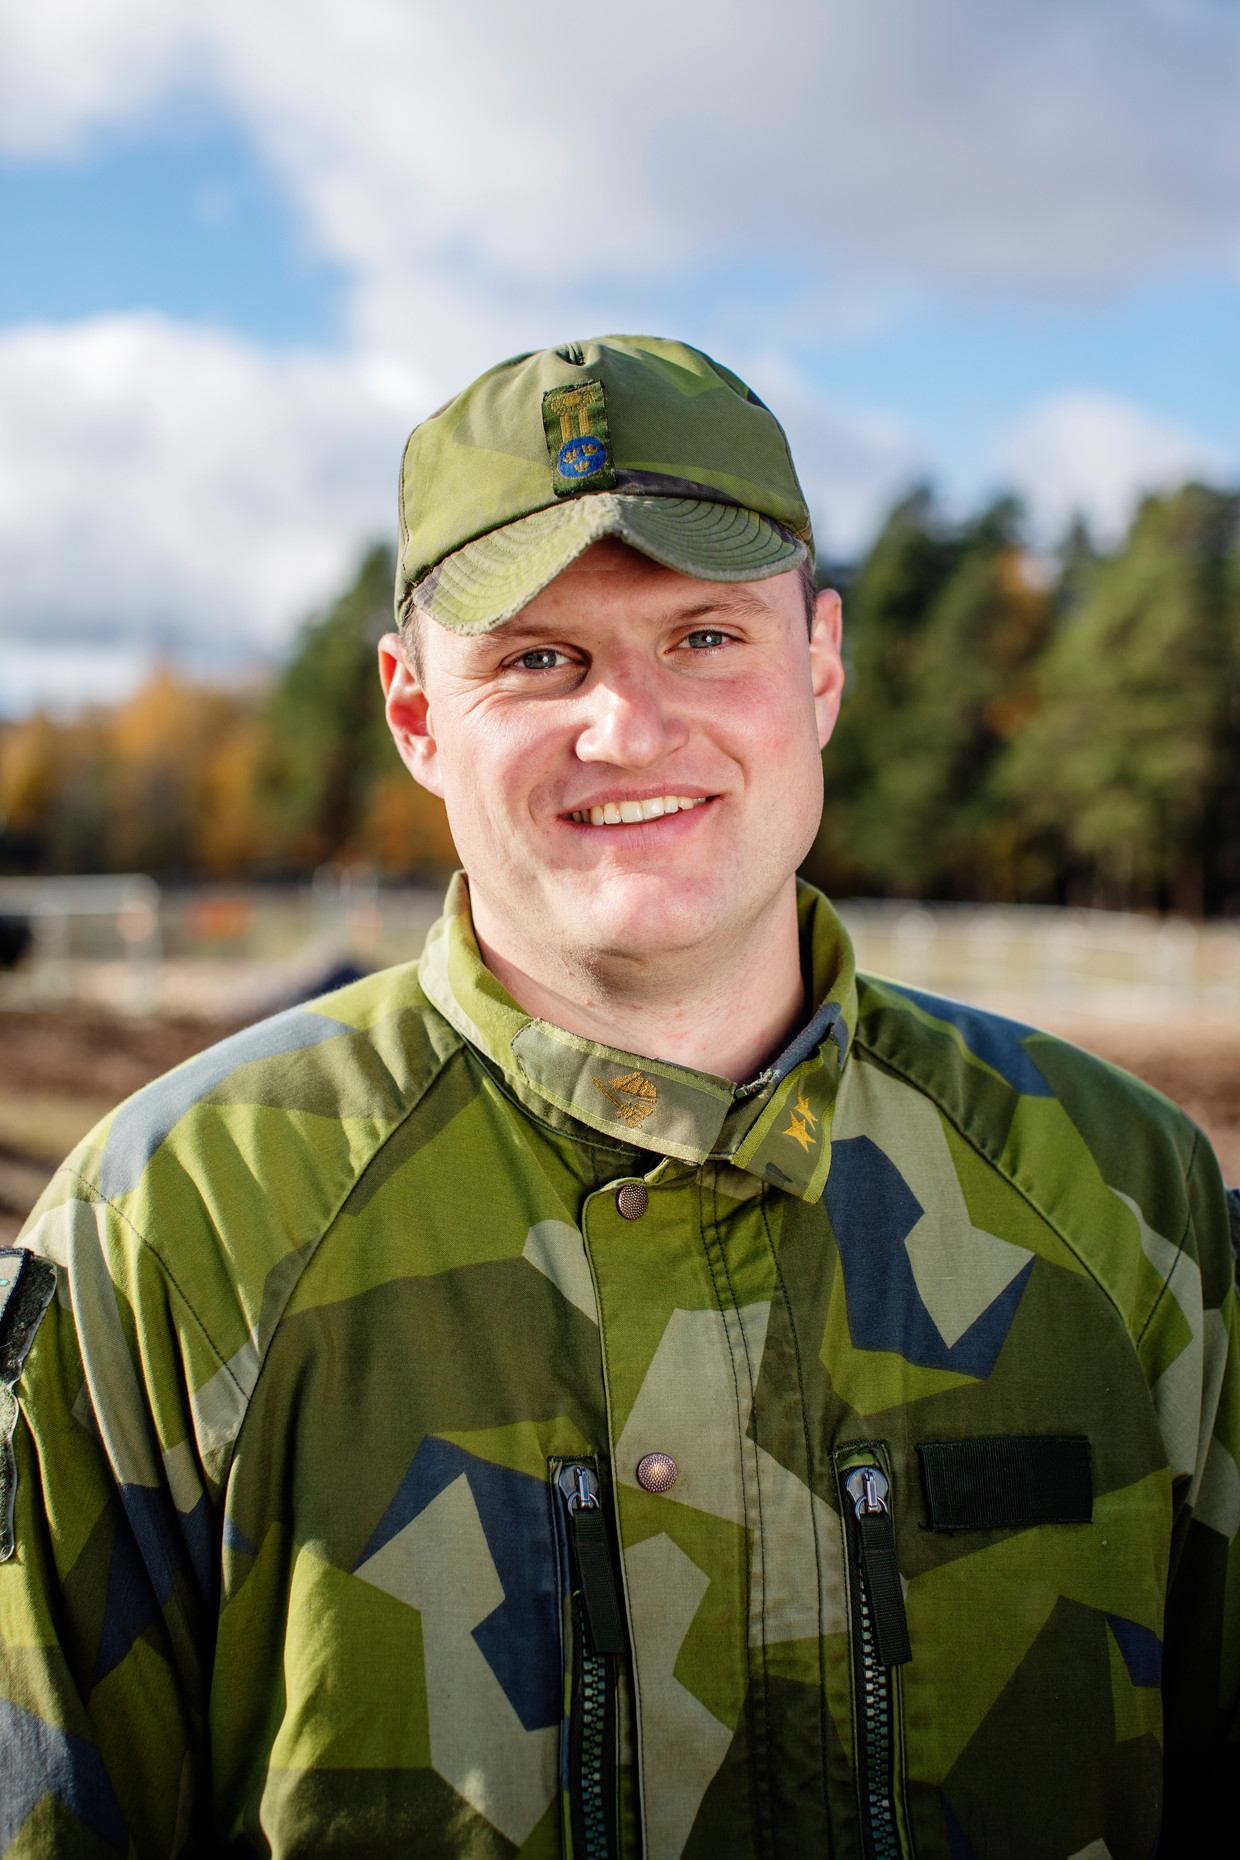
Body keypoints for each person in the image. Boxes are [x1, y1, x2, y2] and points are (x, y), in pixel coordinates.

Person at [0, 336, 1235, 1860]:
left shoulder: (1129, 1195)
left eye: (706, 637)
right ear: (412, 714)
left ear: (823, 665)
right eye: (538, 658)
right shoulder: (172, 1230)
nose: (629, 729)